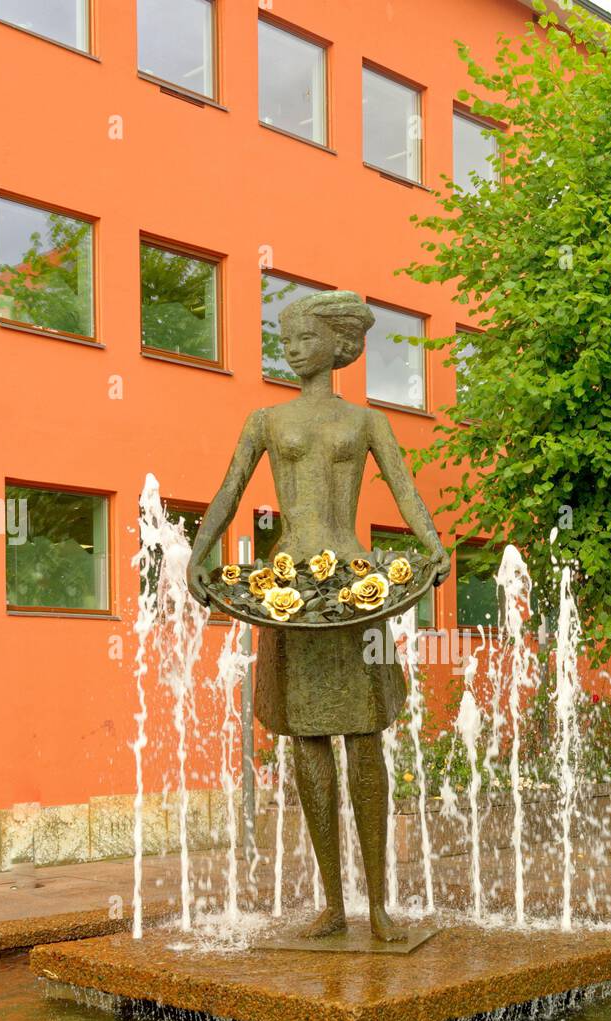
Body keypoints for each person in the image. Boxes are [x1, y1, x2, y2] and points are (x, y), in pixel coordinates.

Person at [188, 290, 450, 939]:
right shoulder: (266, 421)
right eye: (285, 337)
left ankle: (380, 904)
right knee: (306, 737)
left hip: (354, 590)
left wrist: (434, 544)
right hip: (290, 591)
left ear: (336, 345)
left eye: (303, 336)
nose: (291, 347)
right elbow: (229, 488)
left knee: (364, 738)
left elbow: (406, 488)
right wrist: (198, 553)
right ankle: (335, 904)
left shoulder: (367, 422)